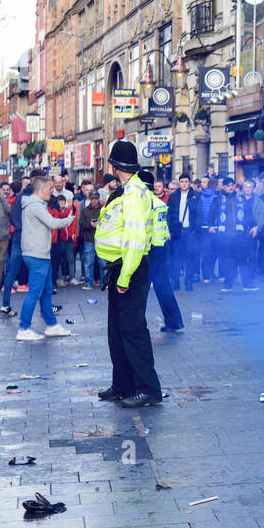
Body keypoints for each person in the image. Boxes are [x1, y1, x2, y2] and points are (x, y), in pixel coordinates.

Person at [94, 141, 162, 408]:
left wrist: (124, 278)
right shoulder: (128, 190)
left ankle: (148, 389)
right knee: (117, 330)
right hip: (120, 267)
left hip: (129, 269)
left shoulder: (134, 194)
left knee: (133, 330)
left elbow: (134, 238)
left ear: (114, 166)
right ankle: (123, 384)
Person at [14, 176, 74, 341]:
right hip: (37, 255)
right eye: (49, 189)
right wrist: (70, 219)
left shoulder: (36, 204)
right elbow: (53, 223)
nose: (52, 192)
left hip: (40, 254)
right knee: (34, 292)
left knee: (45, 291)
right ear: (41, 190)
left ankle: (52, 325)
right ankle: (24, 328)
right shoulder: (35, 206)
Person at [139, 171, 183, 333]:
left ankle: (137, 324)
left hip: (149, 250)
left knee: (141, 288)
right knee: (163, 286)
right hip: (162, 247)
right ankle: (174, 322)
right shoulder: (159, 203)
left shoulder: (145, 204)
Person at [0, 176, 37, 315]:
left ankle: (5, 304)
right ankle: (46, 305)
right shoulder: (32, 199)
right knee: (40, 269)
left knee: (12, 271)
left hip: (17, 235)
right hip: (28, 236)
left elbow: (12, 217)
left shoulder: (18, 197)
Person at [166, 173, 201, 290]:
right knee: (175, 258)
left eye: (186, 182)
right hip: (177, 231)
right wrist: (169, 230)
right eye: (182, 182)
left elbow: (199, 214)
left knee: (189, 258)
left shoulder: (195, 195)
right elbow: (169, 214)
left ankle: (188, 281)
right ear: (179, 183)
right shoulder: (173, 196)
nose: (184, 184)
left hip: (190, 231)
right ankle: (175, 282)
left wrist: (195, 229)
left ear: (189, 183)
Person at [78, 188, 102, 288]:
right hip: (89, 239)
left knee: (103, 263)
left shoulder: (104, 209)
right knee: (88, 263)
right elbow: (81, 223)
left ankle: (104, 283)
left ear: (99, 198)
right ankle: (89, 283)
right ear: (90, 199)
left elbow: (109, 222)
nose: (94, 200)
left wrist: (99, 224)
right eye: (92, 198)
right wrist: (90, 225)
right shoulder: (84, 210)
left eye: (96, 198)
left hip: (102, 240)